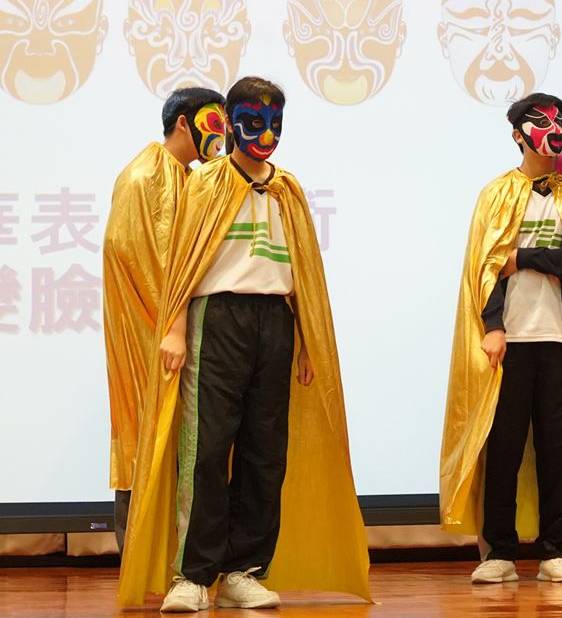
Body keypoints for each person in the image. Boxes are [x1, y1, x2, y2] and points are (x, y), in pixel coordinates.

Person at [117, 77, 371, 611]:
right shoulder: (206, 182)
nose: (265, 134)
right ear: (228, 121)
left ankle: (244, 568)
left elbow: (303, 270)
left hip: (274, 319)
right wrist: (177, 327)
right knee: (207, 447)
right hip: (219, 315)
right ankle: (194, 573)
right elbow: (182, 262)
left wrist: (305, 339)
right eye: (253, 121)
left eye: (275, 123)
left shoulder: (288, 189)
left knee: (264, 451)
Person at [439, 92, 562, 585]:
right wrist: (492, 326)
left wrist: (527, 258)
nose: (554, 129)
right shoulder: (496, 195)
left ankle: (556, 550)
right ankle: (499, 552)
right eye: (541, 122)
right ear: (518, 134)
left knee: (558, 448)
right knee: (504, 448)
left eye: (560, 121)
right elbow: (484, 267)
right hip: (509, 340)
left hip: (561, 338)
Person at [103, 87, 226, 555]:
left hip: (170, 331)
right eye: (214, 123)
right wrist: (179, 324)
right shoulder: (147, 177)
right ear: (183, 123)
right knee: (148, 436)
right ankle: (143, 559)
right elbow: (149, 265)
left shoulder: (182, 177)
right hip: (151, 334)